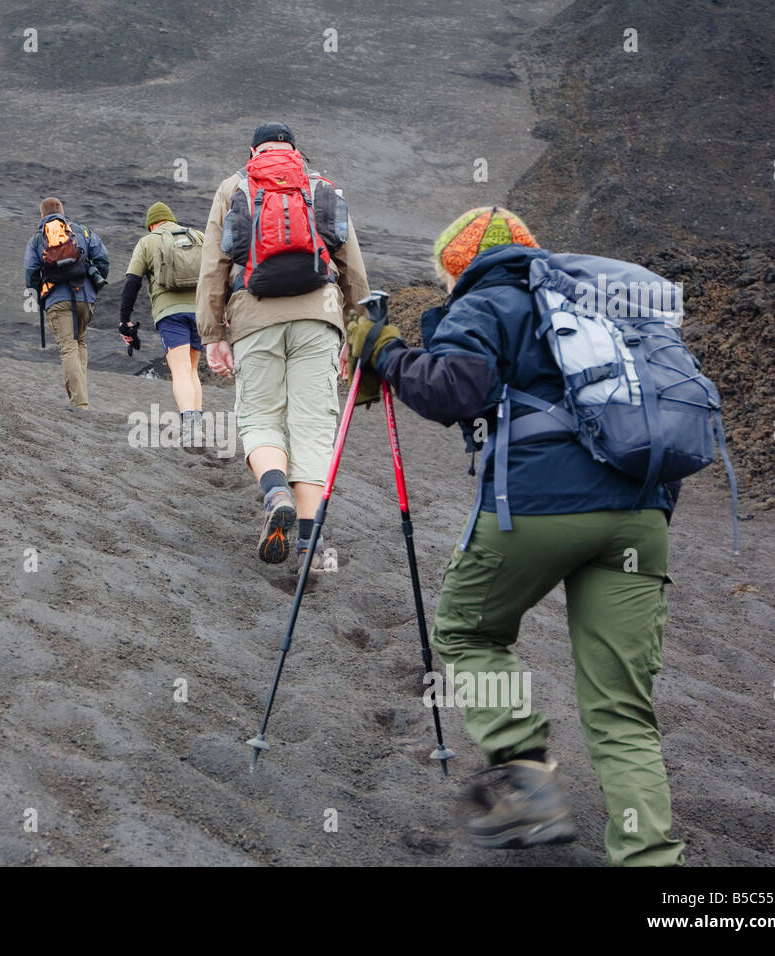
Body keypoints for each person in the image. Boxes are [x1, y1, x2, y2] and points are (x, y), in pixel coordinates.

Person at [345, 205, 685, 866]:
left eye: (448, 276)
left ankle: (525, 776)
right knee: (621, 710)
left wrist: (385, 354)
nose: (448, 289)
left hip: (540, 507)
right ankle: (652, 863)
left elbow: (452, 392)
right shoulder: (602, 305)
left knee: (470, 632)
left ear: (460, 265)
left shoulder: (488, 299)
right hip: (643, 513)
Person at [196, 123, 369, 570]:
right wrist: (356, 333)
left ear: (252, 151)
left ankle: (276, 492)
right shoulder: (322, 187)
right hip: (321, 316)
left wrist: (213, 335)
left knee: (259, 417)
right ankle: (311, 542)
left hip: (255, 316)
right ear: (295, 150)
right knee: (312, 427)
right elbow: (352, 267)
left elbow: (213, 266)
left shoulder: (234, 186)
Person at [120, 202, 206, 450]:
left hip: (170, 313)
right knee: (192, 370)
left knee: (179, 371)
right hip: (199, 312)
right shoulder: (196, 235)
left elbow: (132, 282)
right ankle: (197, 427)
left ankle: (189, 428)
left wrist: (124, 319)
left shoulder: (148, 241)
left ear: (151, 224)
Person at [24, 198, 110, 411]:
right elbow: (103, 260)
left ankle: (80, 403)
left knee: (68, 347)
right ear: (63, 212)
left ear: (42, 216)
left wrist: (42, 293)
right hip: (85, 298)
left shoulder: (37, 239)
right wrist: (93, 286)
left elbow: (31, 274)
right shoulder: (83, 232)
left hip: (57, 300)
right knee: (80, 342)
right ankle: (81, 397)